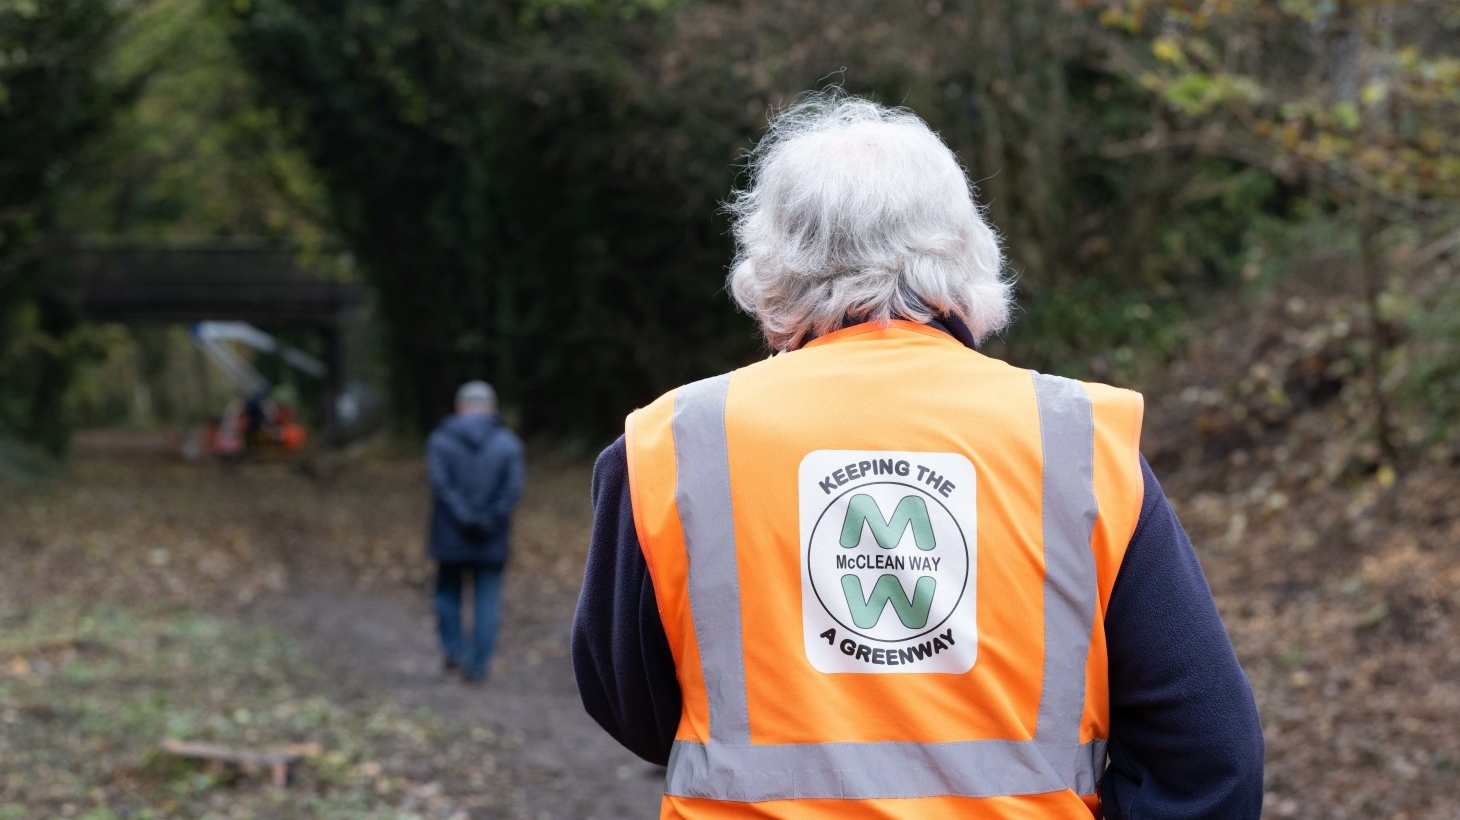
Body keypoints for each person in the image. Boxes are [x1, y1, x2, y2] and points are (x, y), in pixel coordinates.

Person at [571, 95, 1263, 819]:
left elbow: (635, 710)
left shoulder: (671, 444)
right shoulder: (1077, 441)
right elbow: (1211, 754)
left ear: (769, 265)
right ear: (967, 252)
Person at [427, 380, 525, 683]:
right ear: (492, 408)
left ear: (460, 406)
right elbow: (512, 489)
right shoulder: (509, 443)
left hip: (450, 534)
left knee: (447, 592)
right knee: (488, 600)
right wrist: (488, 519)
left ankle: (454, 650)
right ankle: (479, 665)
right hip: (492, 537)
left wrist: (465, 517)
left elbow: (441, 485)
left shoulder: (441, 440)